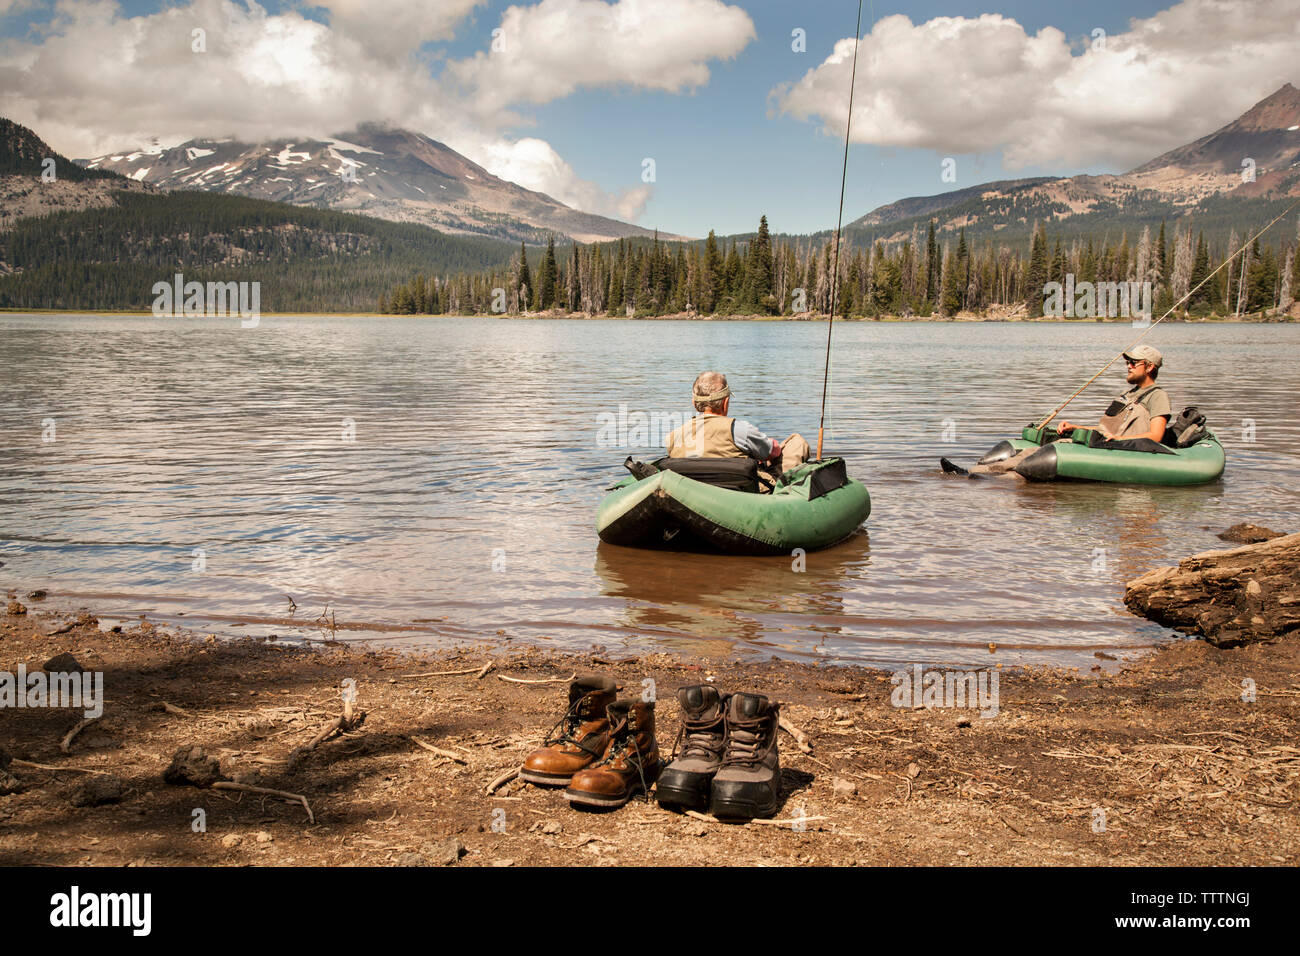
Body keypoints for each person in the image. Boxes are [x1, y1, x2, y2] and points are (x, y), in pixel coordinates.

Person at [665, 371, 809, 479]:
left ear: (694, 404)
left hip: (693, 497)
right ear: (726, 402)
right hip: (742, 495)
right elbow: (774, 451)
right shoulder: (740, 430)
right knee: (796, 442)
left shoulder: (673, 437)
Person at [1057, 345, 1172, 444]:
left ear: (1150, 367)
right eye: (1128, 362)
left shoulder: (1158, 396)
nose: (1128, 366)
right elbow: (1105, 430)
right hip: (1104, 444)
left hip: (1122, 450)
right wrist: (1076, 427)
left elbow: (1156, 436)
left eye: (1133, 363)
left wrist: (1120, 439)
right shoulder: (1126, 394)